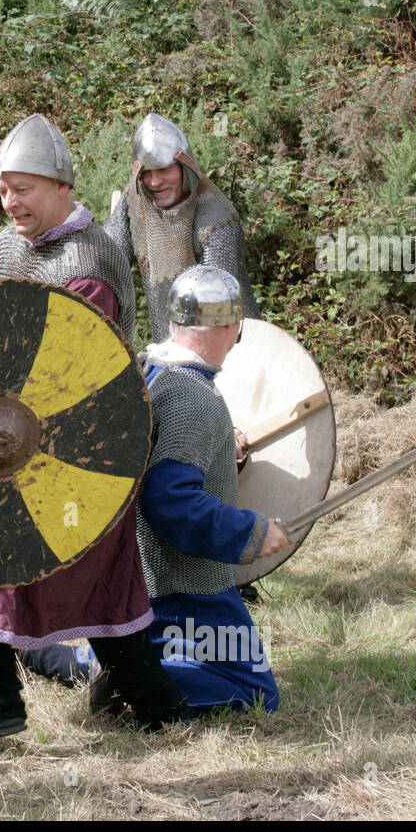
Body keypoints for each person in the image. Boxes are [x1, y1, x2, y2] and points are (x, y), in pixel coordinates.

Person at [0, 114, 188, 751]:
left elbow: (63, 367)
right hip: (21, 436)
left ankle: (145, 700)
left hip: (88, 444)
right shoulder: (8, 248)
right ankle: (7, 704)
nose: (12, 202)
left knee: (87, 572)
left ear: (60, 187)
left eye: (25, 189)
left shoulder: (86, 259)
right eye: (4, 190)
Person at [136, 265, 287, 713]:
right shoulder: (194, 397)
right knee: (254, 692)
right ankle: (138, 685)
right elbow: (171, 501)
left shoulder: (153, 372)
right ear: (231, 327)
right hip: (187, 582)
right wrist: (249, 533)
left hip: (143, 579)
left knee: (158, 644)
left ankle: (73, 657)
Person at [104, 113, 260, 345]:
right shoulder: (135, 200)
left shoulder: (216, 217)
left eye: (165, 170)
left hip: (228, 350)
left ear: (184, 167)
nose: (155, 182)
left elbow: (219, 309)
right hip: (167, 346)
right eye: (147, 173)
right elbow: (106, 263)